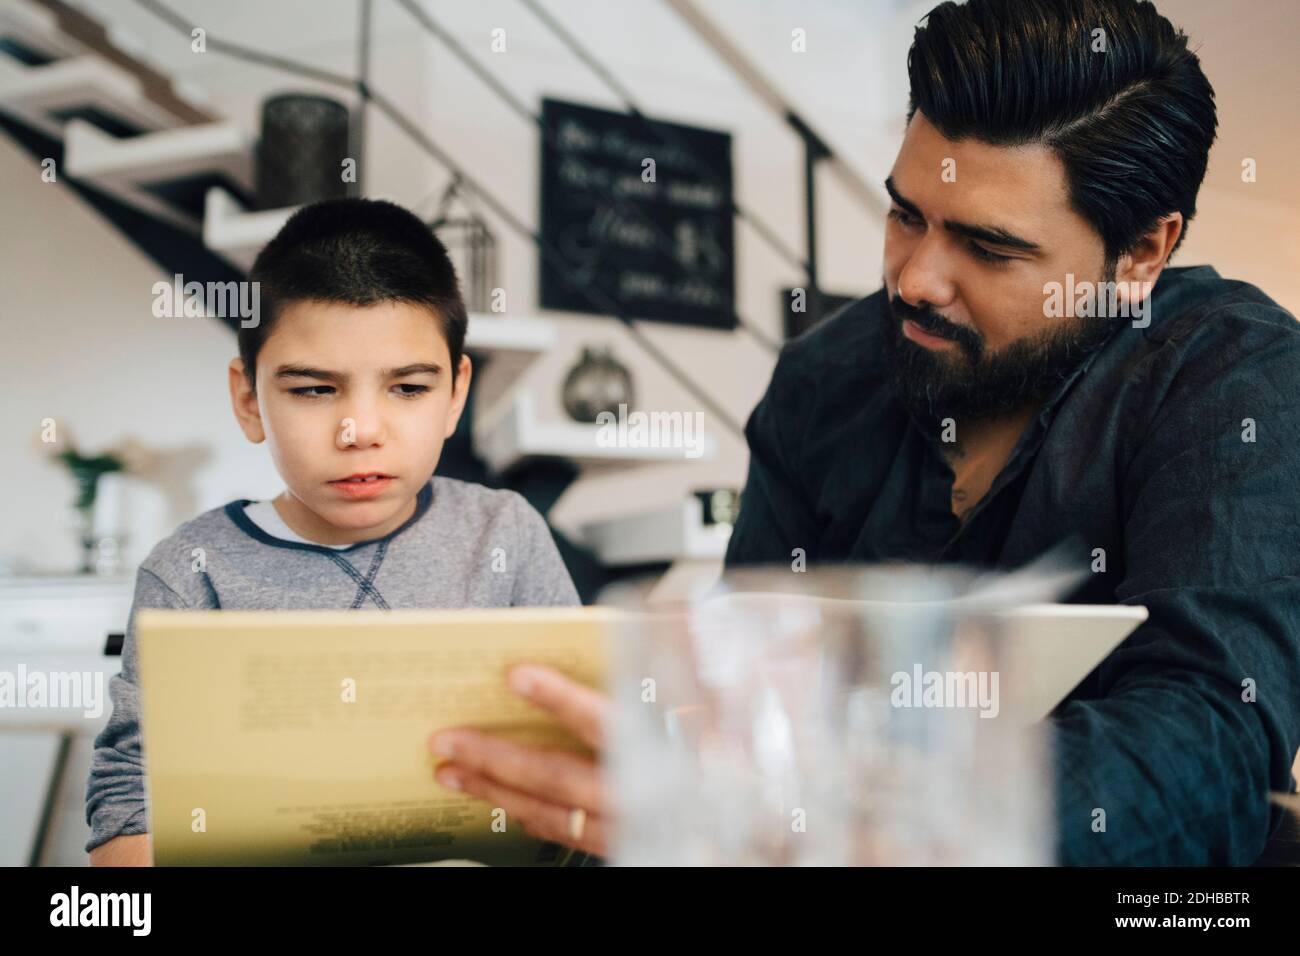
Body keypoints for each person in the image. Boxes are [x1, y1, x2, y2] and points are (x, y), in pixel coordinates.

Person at [429, 0, 1300, 865]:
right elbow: (751, 683)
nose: (915, 280)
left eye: (989, 250)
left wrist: (860, 807)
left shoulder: (1235, 378)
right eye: (904, 214)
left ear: (1141, 254)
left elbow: (1211, 737)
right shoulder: (822, 382)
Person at [87, 199, 579, 866]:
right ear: (249, 399)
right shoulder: (191, 572)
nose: (361, 430)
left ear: (455, 396)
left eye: (407, 388)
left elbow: (579, 761)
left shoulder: (506, 534)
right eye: (316, 391)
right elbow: (129, 804)